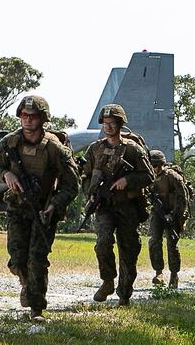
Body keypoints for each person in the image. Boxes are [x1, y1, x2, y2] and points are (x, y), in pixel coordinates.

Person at [0, 95, 79, 321]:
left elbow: (72, 184)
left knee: (37, 259)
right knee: (17, 257)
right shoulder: (9, 143)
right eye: (24, 116)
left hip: (43, 211)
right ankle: (26, 283)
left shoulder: (54, 148)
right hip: (17, 208)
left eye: (33, 117)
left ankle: (36, 307)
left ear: (42, 119)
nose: (28, 120)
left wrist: (54, 205)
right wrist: (7, 174)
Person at [81, 103, 152, 305]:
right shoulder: (95, 149)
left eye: (112, 123)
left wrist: (127, 181)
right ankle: (107, 281)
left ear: (120, 124)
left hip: (127, 207)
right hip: (104, 206)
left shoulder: (133, 150)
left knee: (128, 250)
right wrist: (91, 194)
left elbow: (149, 175)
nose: (109, 127)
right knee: (102, 243)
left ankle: (124, 293)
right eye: (105, 123)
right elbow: (85, 176)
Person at [147, 149, 189, 289]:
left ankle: (174, 274)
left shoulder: (172, 177)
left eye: (157, 166)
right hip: (158, 213)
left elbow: (183, 198)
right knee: (154, 241)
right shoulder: (149, 177)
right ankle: (159, 272)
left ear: (162, 164)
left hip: (174, 213)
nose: (155, 169)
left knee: (172, 244)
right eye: (153, 166)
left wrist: (174, 215)